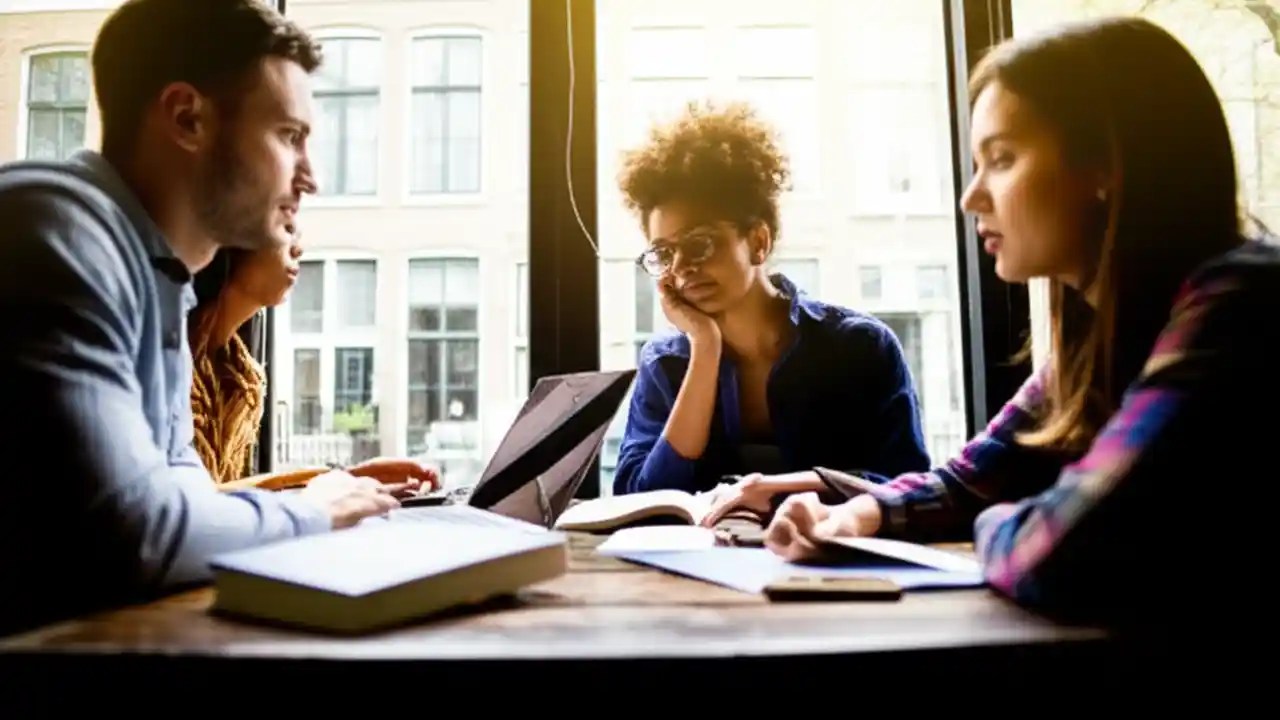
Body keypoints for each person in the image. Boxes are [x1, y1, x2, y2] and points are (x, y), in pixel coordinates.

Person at [760, 16, 1280, 629]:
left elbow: (1056, 551)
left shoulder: (1237, 305)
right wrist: (858, 514)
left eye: (1002, 159)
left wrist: (996, 521)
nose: (970, 198)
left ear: (1105, 166)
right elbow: (969, 481)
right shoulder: (1103, 332)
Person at [0, 0, 421, 637]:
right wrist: (316, 512)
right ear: (187, 118)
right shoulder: (54, 235)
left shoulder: (154, 274)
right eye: (290, 136)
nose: (312, 178)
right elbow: (136, 533)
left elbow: (181, 502)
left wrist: (317, 496)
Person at [612, 100, 931, 512]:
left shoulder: (861, 347)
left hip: (829, 552)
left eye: (699, 243)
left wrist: (776, 489)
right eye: (664, 252)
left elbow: (907, 486)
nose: (681, 267)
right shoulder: (666, 363)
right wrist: (705, 348)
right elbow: (639, 501)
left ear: (758, 241)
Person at [188, 239, 438, 492]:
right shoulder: (178, 372)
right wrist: (336, 483)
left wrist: (347, 479)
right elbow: (198, 503)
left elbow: (221, 497)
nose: (297, 250)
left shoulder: (238, 376)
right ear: (231, 237)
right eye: (285, 229)